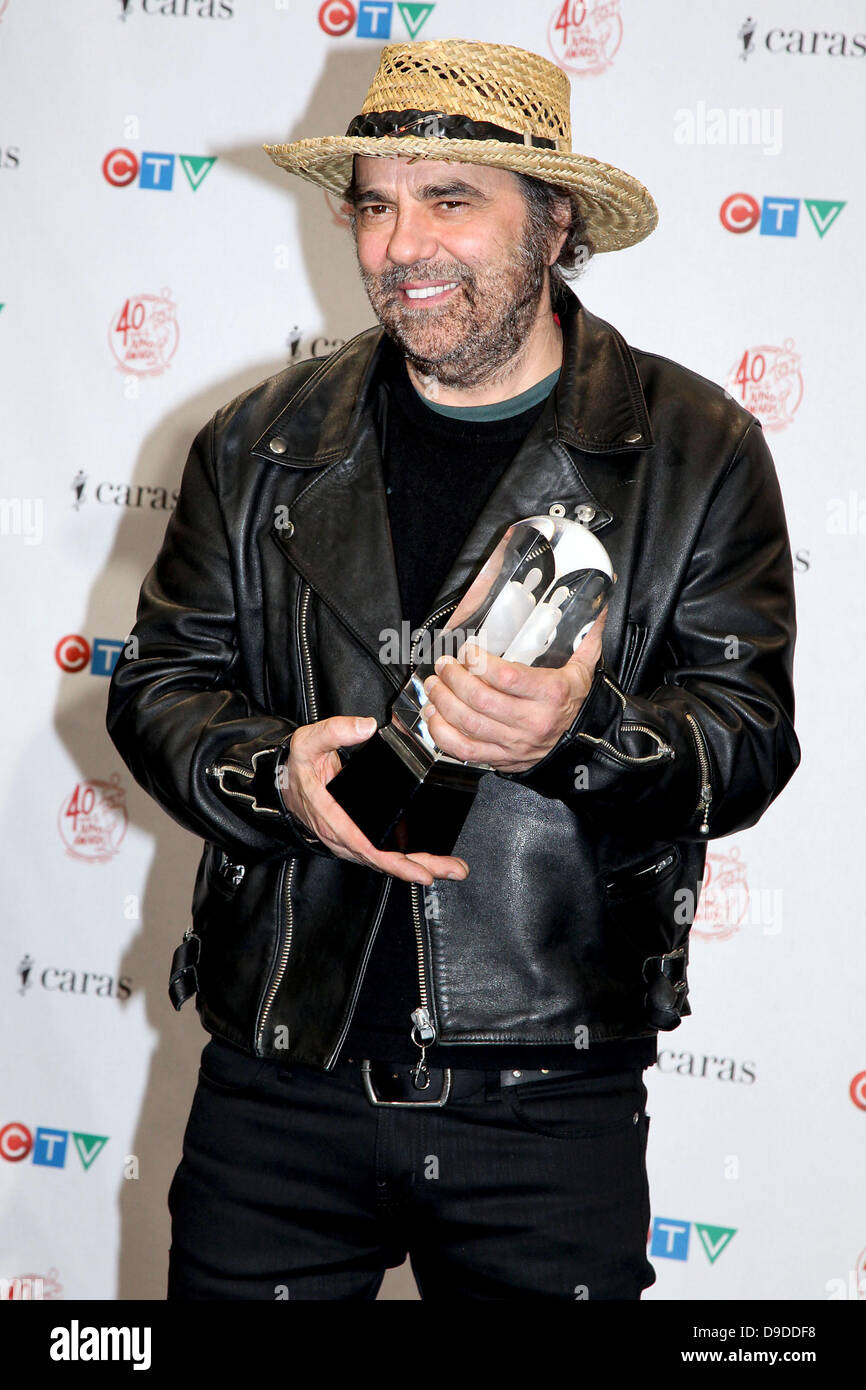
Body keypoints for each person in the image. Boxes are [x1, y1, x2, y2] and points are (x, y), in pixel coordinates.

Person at [105, 37, 800, 1300]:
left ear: (554, 222)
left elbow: (746, 738)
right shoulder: (254, 442)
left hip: (546, 1097)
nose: (398, 245)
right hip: (276, 1083)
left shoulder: (694, 449)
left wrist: (577, 732)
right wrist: (273, 774)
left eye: (449, 199)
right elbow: (159, 683)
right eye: (374, 203)